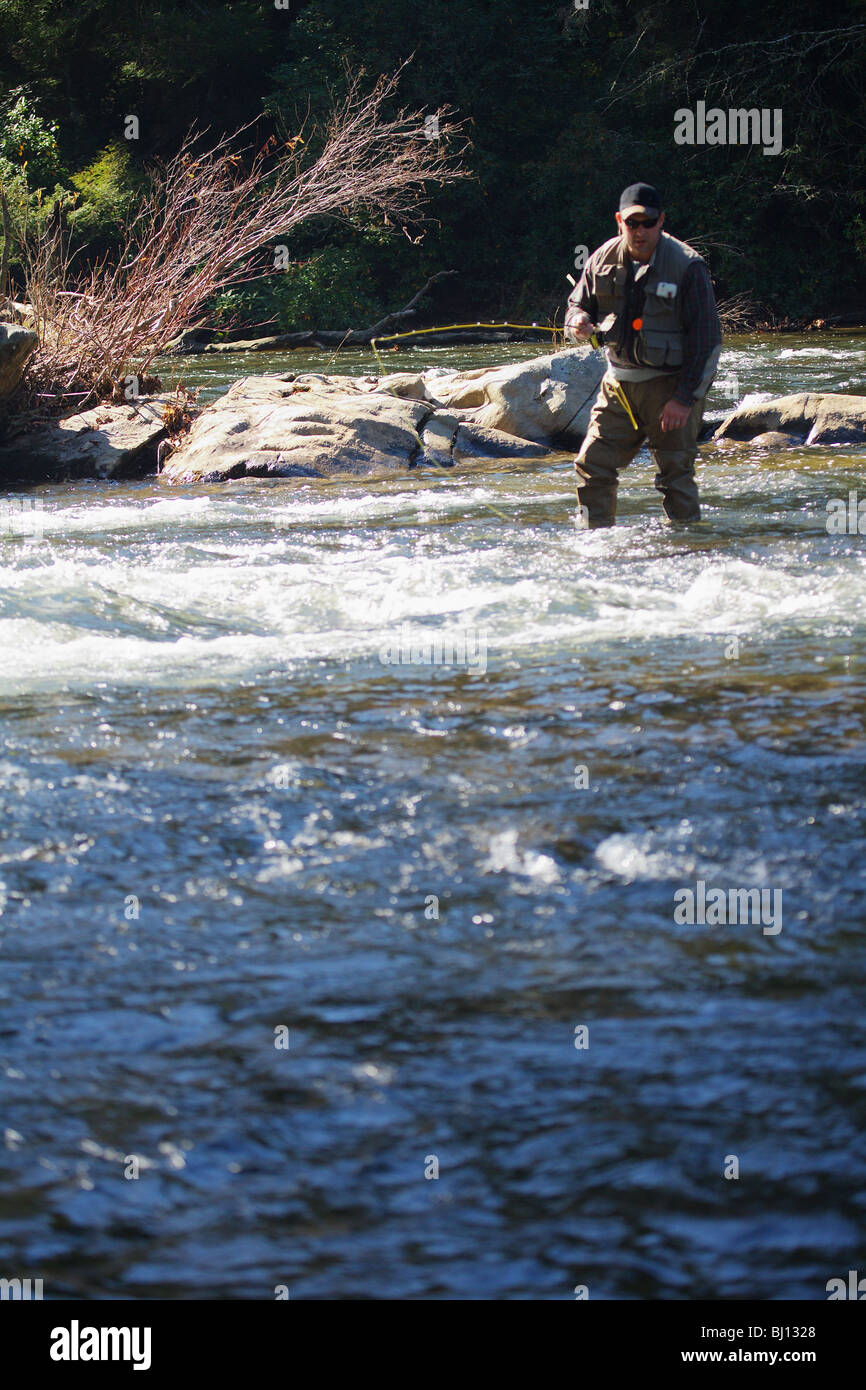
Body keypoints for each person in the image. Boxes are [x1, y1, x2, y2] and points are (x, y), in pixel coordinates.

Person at [565, 182, 721, 527]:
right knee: (592, 466)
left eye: (647, 223)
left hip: (670, 386)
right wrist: (577, 321)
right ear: (619, 220)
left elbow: (708, 342)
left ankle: (688, 549)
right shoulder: (601, 258)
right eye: (632, 223)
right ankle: (596, 543)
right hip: (618, 387)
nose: (639, 231)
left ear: (661, 221)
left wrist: (684, 399)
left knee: (674, 477)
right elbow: (577, 304)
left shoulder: (687, 266)